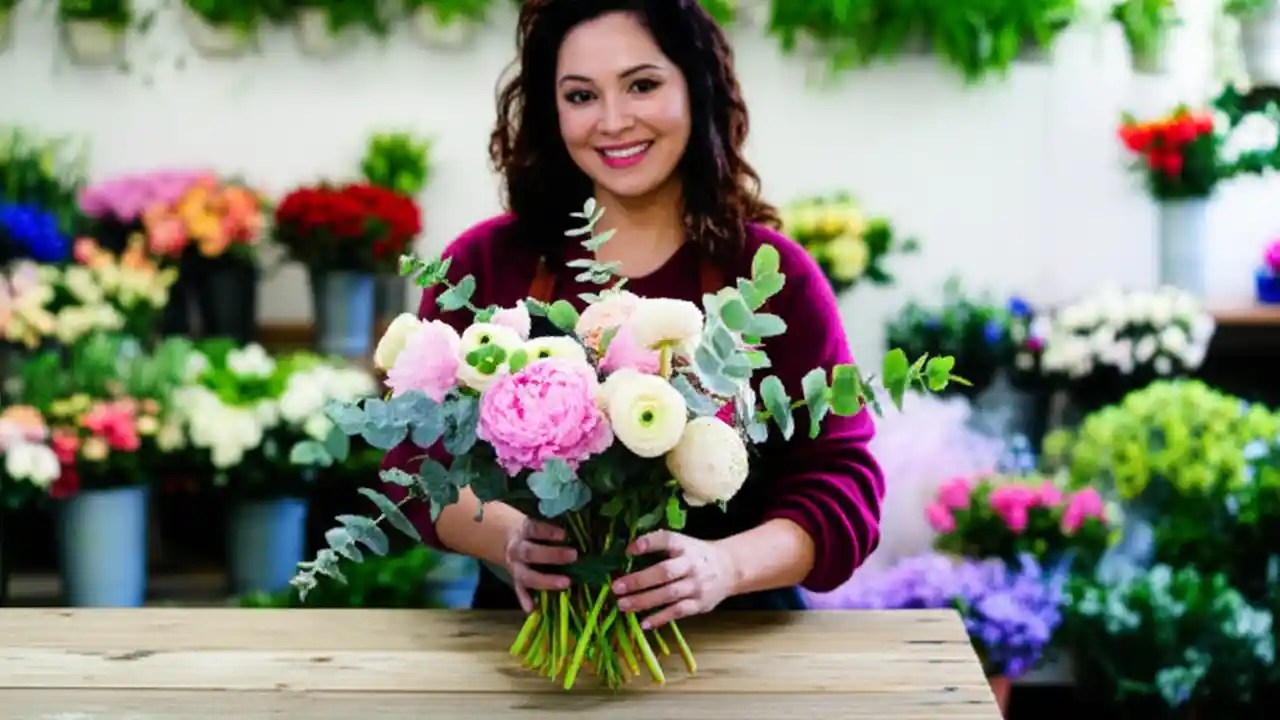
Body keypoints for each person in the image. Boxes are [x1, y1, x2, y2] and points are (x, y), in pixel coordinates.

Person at [380, 0, 884, 628]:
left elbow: (844, 487)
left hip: (740, 647)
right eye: (581, 95)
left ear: (697, 90)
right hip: (529, 652)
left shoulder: (770, 276)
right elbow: (412, 462)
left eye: (642, 85)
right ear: (550, 110)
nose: (613, 121)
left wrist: (724, 567)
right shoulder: (483, 266)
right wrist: (506, 538)